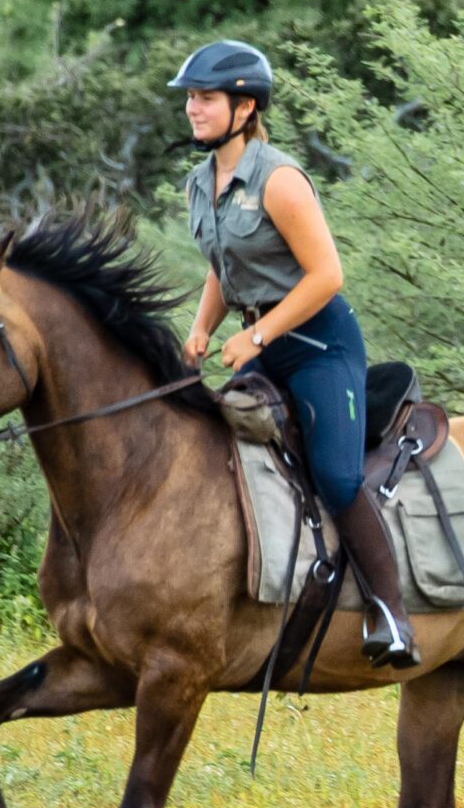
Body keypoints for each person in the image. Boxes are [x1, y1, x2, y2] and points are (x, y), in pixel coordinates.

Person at [172, 40, 416, 667]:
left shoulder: (278, 180)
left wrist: (255, 336)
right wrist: (201, 329)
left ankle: (391, 613)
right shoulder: (201, 184)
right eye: (191, 99)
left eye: (205, 98)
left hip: (318, 347)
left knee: (335, 474)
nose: (193, 109)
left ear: (244, 106)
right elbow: (224, 266)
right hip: (259, 345)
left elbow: (326, 275)